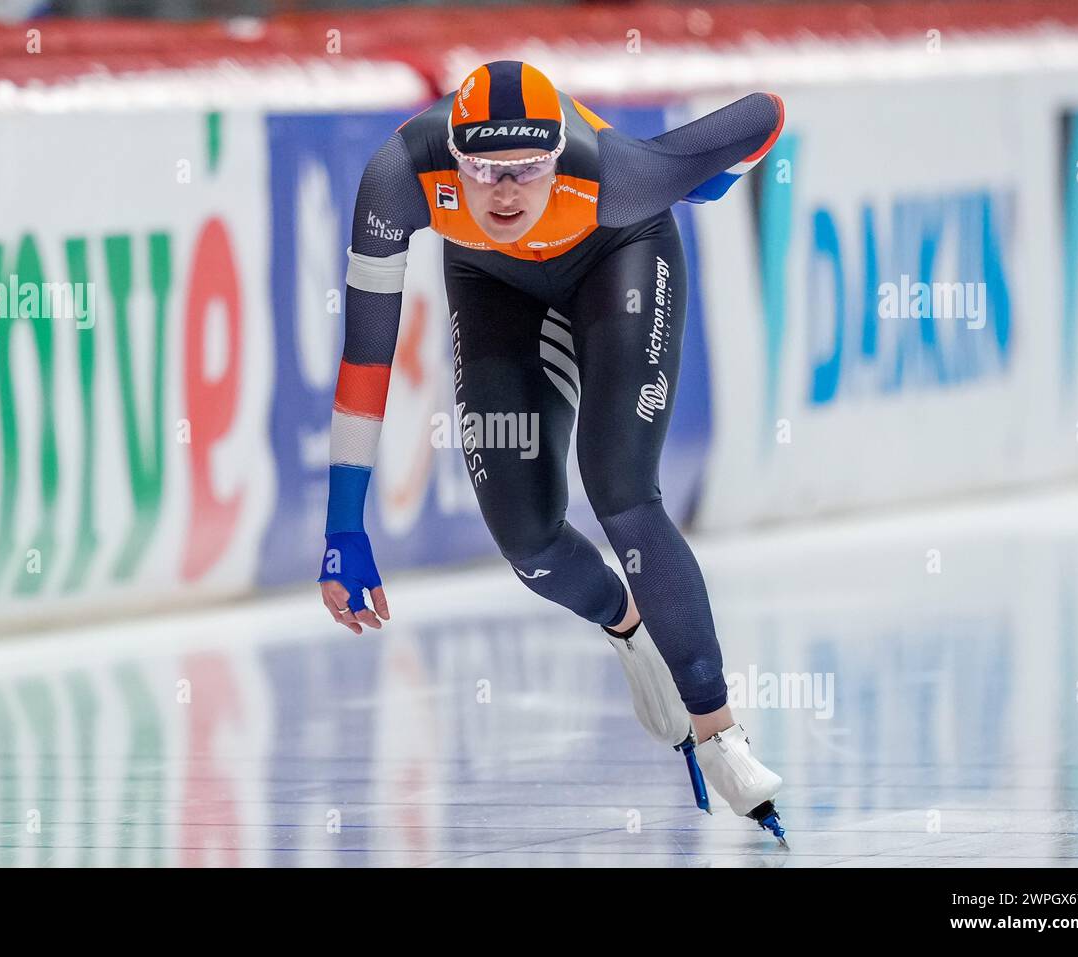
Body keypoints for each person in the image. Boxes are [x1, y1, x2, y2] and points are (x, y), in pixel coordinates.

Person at [317, 60, 787, 843]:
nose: (505, 192)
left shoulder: (618, 176)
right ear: (452, 161)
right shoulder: (397, 177)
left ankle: (721, 732)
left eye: (528, 170)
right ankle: (627, 623)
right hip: (492, 283)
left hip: (619, 254)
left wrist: (710, 176)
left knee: (621, 490)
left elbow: (765, 112)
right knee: (529, 541)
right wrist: (342, 527)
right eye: (485, 172)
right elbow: (367, 357)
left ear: (558, 155)